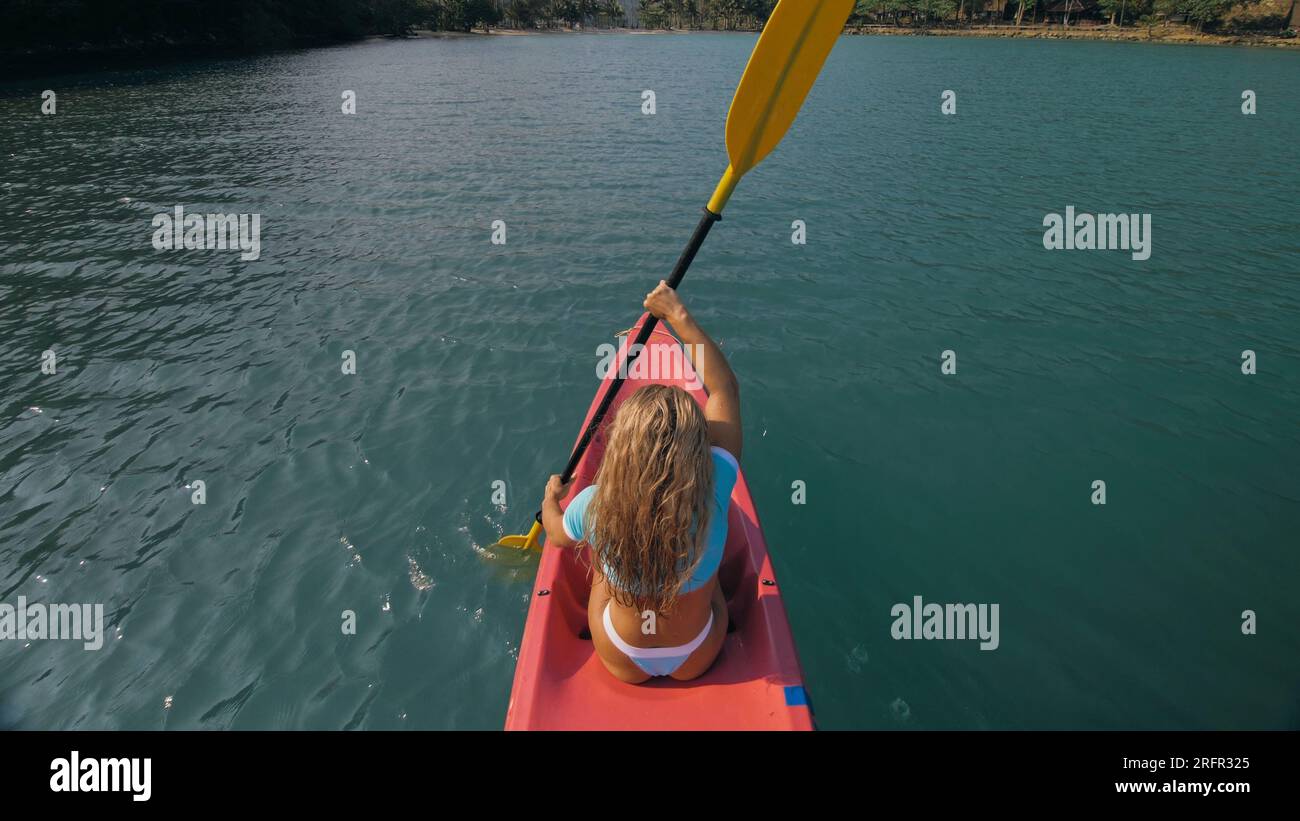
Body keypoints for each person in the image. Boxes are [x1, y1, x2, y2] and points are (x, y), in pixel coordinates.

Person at [539, 281, 743, 683]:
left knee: (602, 565)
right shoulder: (714, 487)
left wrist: (551, 499)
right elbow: (724, 388)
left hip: (622, 656)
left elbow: (557, 536)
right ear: (695, 449)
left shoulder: (595, 504)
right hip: (696, 654)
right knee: (706, 563)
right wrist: (678, 316)